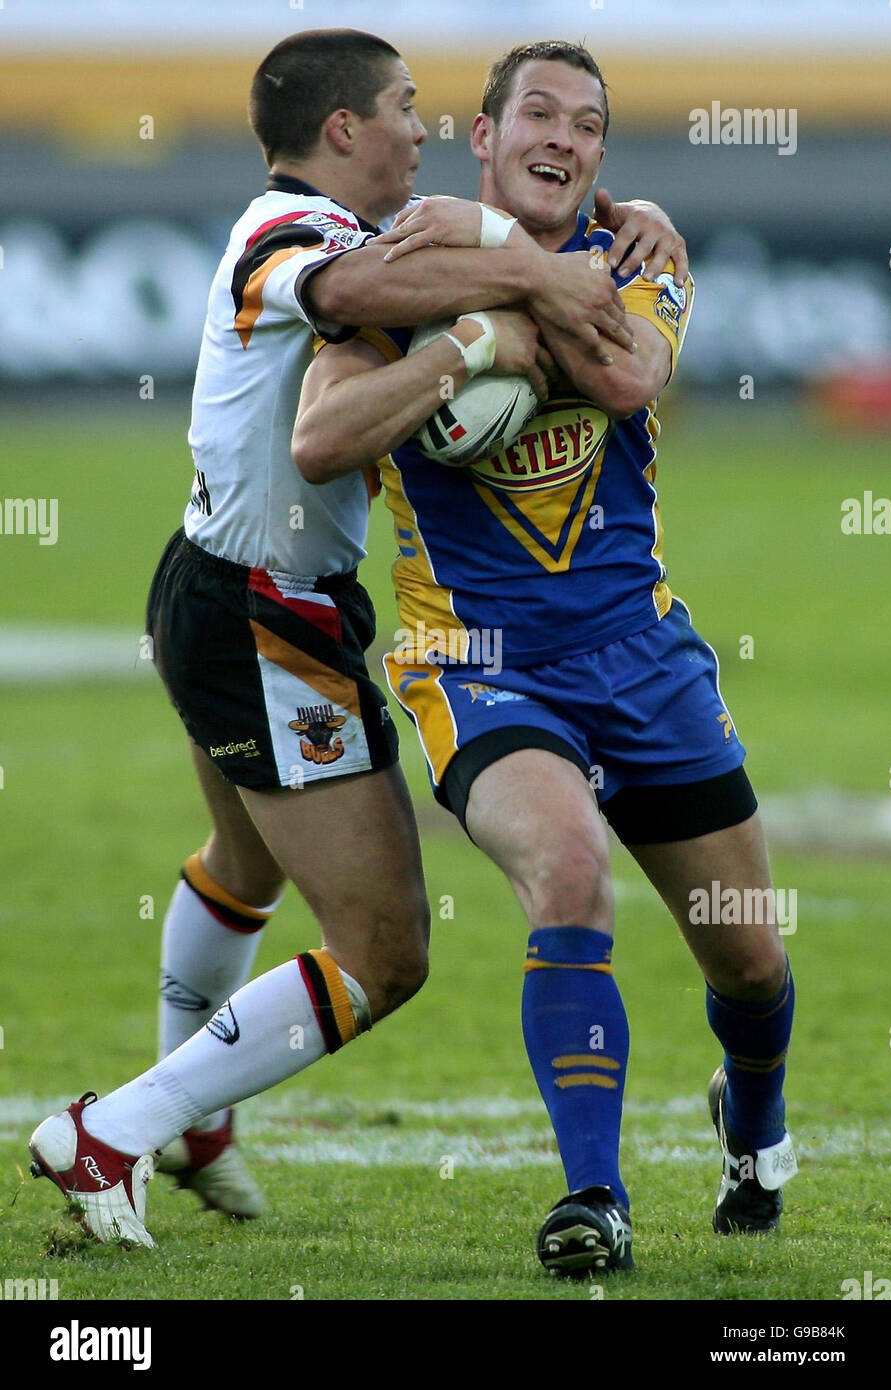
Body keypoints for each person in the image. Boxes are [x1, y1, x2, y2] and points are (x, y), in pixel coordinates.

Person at [28, 28, 683, 1249]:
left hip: (227, 589)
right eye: (405, 107)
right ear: (344, 131)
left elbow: (444, 235)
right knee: (385, 947)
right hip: (264, 612)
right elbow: (360, 303)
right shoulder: (290, 235)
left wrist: (623, 213)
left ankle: (189, 1123)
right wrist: (506, 317)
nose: (423, 128)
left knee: (244, 866)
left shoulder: (350, 225)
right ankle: (113, 1129)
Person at [291, 39, 797, 1277]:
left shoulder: (638, 261)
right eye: (537, 115)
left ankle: (754, 1119)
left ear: (601, 156)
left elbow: (631, 373)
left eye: (586, 123)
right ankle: (594, 1195)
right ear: (485, 136)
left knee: (749, 952)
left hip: (643, 656)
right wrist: (461, 342)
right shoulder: (398, 269)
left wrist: (509, 299)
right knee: (569, 872)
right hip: (477, 662)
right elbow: (319, 430)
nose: (560, 138)